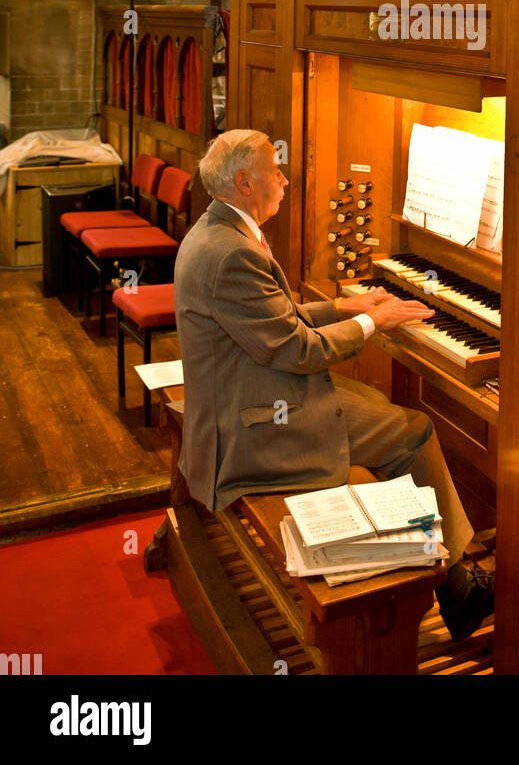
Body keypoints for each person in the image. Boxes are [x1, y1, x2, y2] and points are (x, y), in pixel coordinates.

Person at [173, 128, 494, 642]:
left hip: (243, 395)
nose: (283, 178)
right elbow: (296, 348)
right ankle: (453, 585)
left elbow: (276, 318)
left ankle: (431, 552)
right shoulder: (234, 253)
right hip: (250, 431)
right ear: (243, 183)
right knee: (413, 430)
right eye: (273, 170)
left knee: (373, 402)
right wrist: (375, 323)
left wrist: (349, 306)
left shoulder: (217, 230)